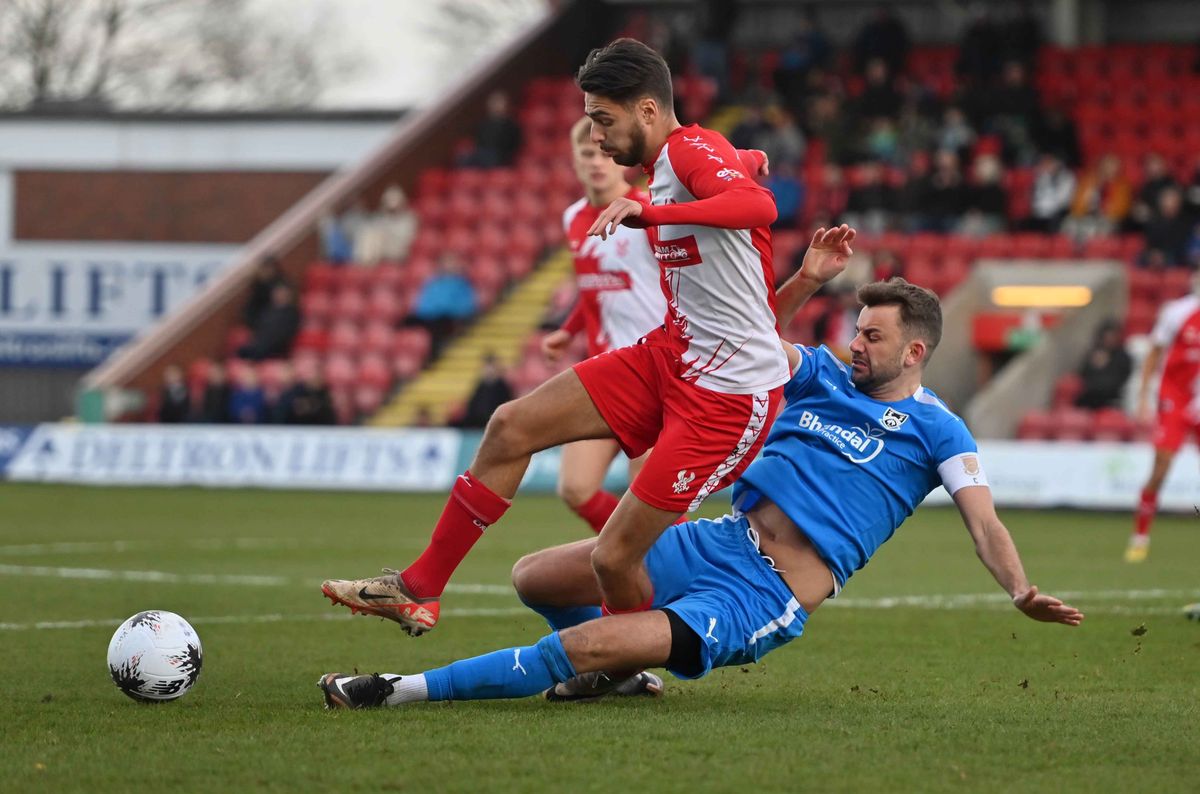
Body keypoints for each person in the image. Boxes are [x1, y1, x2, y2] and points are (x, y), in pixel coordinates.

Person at [317, 275, 1083, 710]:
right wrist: (807, 278)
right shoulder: (817, 372)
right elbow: (751, 336)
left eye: (873, 336)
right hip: (718, 538)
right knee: (535, 578)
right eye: (856, 328)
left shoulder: (940, 432)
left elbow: (983, 523)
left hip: (766, 592)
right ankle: (621, 673)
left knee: (580, 643)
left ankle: (398, 690)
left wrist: (1019, 589)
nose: (855, 342)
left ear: (914, 351)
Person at [320, 38, 798, 636]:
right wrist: (746, 156)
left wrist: (653, 212)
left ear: (647, 110)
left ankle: (620, 657)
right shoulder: (680, 161)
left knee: (613, 558)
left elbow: (757, 207)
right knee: (509, 426)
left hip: (726, 397)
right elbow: (735, 177)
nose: (595, 137)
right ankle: (418, 589)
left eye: (603, 119)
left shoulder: (690, 150)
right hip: (668, 356)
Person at [539, 116, 667, 533]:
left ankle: (666, 569)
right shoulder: (572, 217)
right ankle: (628, 550)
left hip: (654, 373)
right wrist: (568, 331)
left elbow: (673, 285)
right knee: (575, 487)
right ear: (575, 161)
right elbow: (596, 286)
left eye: (604, 152)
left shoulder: (647, 213)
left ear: (622, 159)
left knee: (649, 499)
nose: (596, 162)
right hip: (604, 374)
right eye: (587, 154)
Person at [1129, 275, 1200, 562]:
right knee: (1162, 466)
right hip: (1176, 397)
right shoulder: (1178, 312)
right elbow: (1154, 353)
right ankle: (1140, 536)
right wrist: (1144, 396)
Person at [1073, 320, 1132, 410]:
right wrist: (1095, 365)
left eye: (1112, 336)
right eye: (1107, 336)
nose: (1109, 340)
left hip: (1111, 398)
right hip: (1090, 397)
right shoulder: (1094, 354)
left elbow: (1121, 379)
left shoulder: (1122, 356)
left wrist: (1106, 366)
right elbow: (1082, 375)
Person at [238, 283, 300, 361]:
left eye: (282, 293)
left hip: (276, 345)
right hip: (260, 342)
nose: (279, 296)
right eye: (277, 293)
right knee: (242, 351)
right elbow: (257, 325)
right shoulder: (268, 310)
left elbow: (287, 332)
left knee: (257, 351)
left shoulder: (291, 313)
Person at [455, 353, 515, 430]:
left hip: (495, 423)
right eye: (486, 366)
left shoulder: (502, 387)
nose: (488, 369)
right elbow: (472, 406)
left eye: (491, 366)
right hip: (478, 423)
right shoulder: (480, 385)